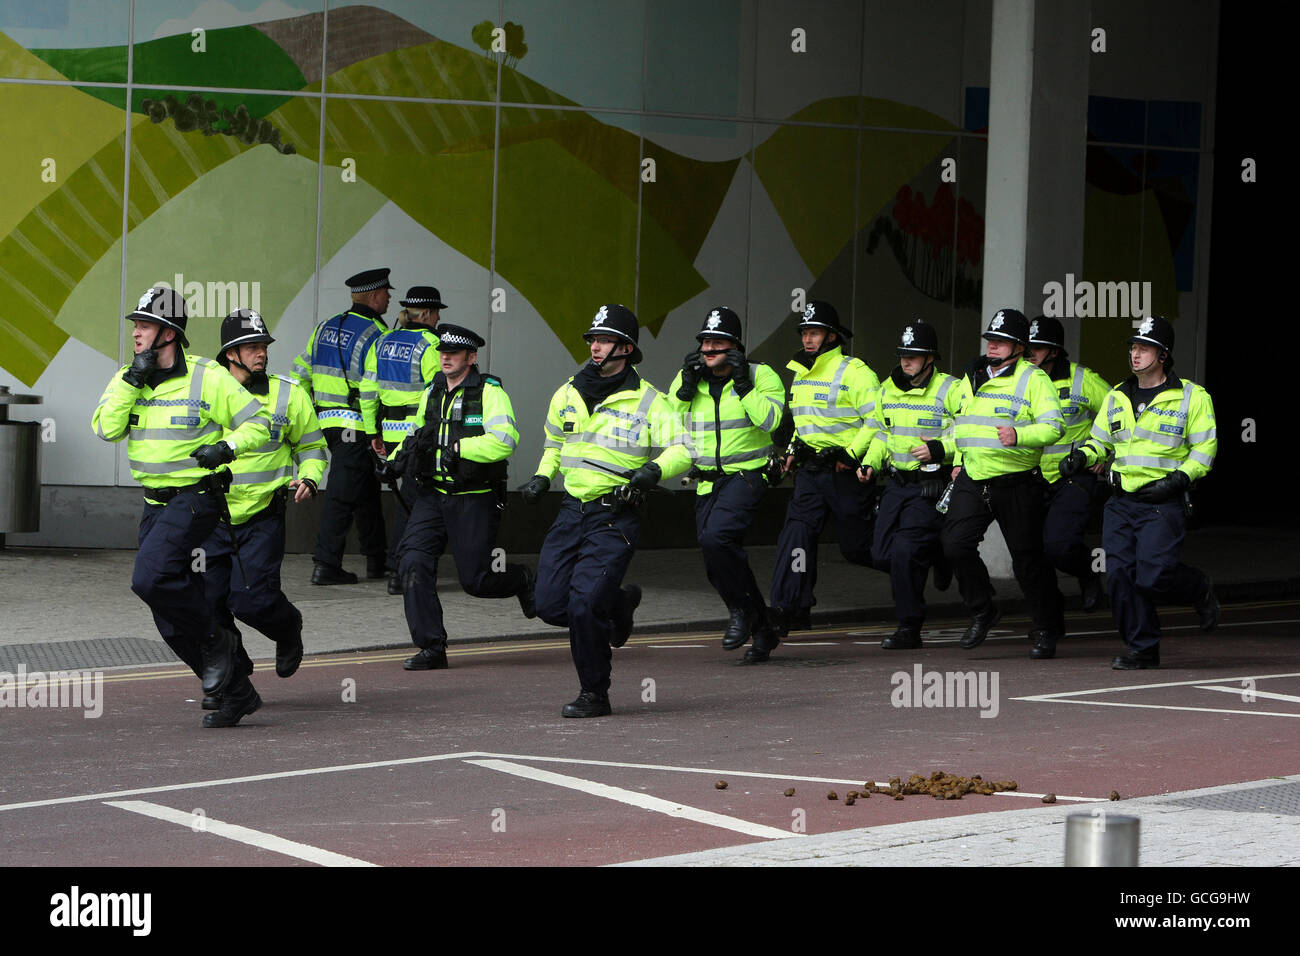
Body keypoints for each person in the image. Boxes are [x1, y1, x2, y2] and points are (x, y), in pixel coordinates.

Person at [91, 288, 270, 724]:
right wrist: (133, 381)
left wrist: (226, 447)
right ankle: (235, 691)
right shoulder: (127, 377)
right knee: (168, 613)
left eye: (145, 325)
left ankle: (216, 643)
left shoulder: (207, 377)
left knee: (149, 580)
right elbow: (106, 430)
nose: (136, 333)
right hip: (154, 505)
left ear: (169, 333)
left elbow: (259, 424)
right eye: (136, 325)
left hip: (196, 499)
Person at [519, 304, 691, 716]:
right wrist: (543, 476)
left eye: (604, 340)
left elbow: (684, 448)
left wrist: (655, 469)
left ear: (626, 348)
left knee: (582, 605)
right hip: (571, 511)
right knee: (548, 605)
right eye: (592, 340)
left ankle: (594, 693)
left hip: (615, 515)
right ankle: (617, 604)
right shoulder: (567, 392)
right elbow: (554, 444)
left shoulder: (650, 400)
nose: (594, 347)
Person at [1059, 315, 1218, 669]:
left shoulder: (1192, 397)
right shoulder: (1117, 395)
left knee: (1154, 576)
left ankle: (1197, 586)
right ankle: (1143, 648)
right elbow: (1100, 442)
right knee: (1118, 576)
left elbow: (1204, 450)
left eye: (1145, 348)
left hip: (1163, 502)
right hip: (1121, 502)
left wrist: (1180, 479)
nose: (1135, 353)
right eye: (1134, 346)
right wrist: (1082, 458)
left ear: (1163, 355)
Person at [196, 309, 328, 727]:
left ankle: (288, 628)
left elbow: (312, 446)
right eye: (252, 347)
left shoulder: (289, 394)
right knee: (208, 606)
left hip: (261, 516)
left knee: (251, 599)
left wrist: (309, 475)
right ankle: (231, 682)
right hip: (209, 517)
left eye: (263, 347)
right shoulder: (203, 393)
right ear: (229, 354)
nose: (261, 354)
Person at [380, 323, 535, 671]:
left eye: (453, 353)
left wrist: (461, 447)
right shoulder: (432, 391)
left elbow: (505, 439)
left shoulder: (490, 393)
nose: (445, 357)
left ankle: (522, 579)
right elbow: (415, 433)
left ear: (471, 357)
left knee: (477, 581)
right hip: (432, 494)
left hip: (473, 497)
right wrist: (393, 462)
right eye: (442, 352)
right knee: (412, 564)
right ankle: (431, 647)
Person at [943, 308, 1066, 659]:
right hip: (974, 475)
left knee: (1026, 560)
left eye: (1001, 342)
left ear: (1019, 347)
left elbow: (1054, 427)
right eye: (991, 341)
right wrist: (956, 461)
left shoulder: (1034, 380)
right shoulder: (972, 375)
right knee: (953, 544)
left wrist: (1020, 434)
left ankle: (1045, 628)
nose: (993, 347)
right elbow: (961, 424)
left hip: (1017, 481)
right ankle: (984, 609)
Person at [765, 301, 880, 661]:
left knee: (857, 548)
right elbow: (805, 423)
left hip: (845, 473)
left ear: (831, 336)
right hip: (811, 473)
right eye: (804, 332)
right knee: (797, 535)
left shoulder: (856, 372)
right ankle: (788, 607)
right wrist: (795, 449)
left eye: (814, 332)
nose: (808, 339)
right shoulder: (801, 372)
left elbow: (878, 422)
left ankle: (916, 561)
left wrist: (852, 454)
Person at [666, 307, 786, 652]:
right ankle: (762, 624)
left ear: (736, 347)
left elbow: (772, 424)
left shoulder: (762, 376)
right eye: (705, 342)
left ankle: (739, 611)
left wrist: (744, 387)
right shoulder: (687, 377)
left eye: (718, 343)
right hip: (706, 481)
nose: (709, 349)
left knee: (718, 538)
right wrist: (683, 393)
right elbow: (665, 428)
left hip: (748, 474)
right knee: (715, 556)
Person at [854, 320, 961, 649]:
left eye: (914, 356)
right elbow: (882, 434)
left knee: (903, 552)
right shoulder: (887, 389)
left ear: (930, 358)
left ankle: (909, 626)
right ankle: (938, 553)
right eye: (903, 355)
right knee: (880, 553)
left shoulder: (951, 389)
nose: (906, 361)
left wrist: (942, 449)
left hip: (929, 484)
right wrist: (870, 462)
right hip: (897, 484)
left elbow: (971, 432)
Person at [292, 268, 392, 585]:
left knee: (366, 491)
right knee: (342, 492)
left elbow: (300, 374)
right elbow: (375, 386)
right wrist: (379, 429)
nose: (390, 297)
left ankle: (377, 559)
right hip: (356, 423)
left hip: (325, 422)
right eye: (386, 293)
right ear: (375, 297)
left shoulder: (325, 327)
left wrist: (308, 415)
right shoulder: (376, 333)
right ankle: (326, 563)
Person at [362, 285, 445, 594]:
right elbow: (436, 398)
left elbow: (368, 391)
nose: (438, 318)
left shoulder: (382, 341)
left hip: (391, 432)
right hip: (419, 436)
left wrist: (372, 432)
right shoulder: (431, 344)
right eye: (436, 312)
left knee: (406, 502)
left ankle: (402, 570)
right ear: (427, 314)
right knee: (420, 505)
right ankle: (405, 572)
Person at [1025, 315, 1111, 612]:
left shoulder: (1082, 380)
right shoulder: (1019, 380)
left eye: (1038, 347)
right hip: (1031, 478)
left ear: (1055, 351)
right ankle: (1048, 617)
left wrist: (1103, 453)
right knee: (1032, 554)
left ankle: (1088, 574)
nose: (1030, 352)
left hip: (1073, 476)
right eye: (1029, 346)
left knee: (1060, 546)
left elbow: (1119, 415)